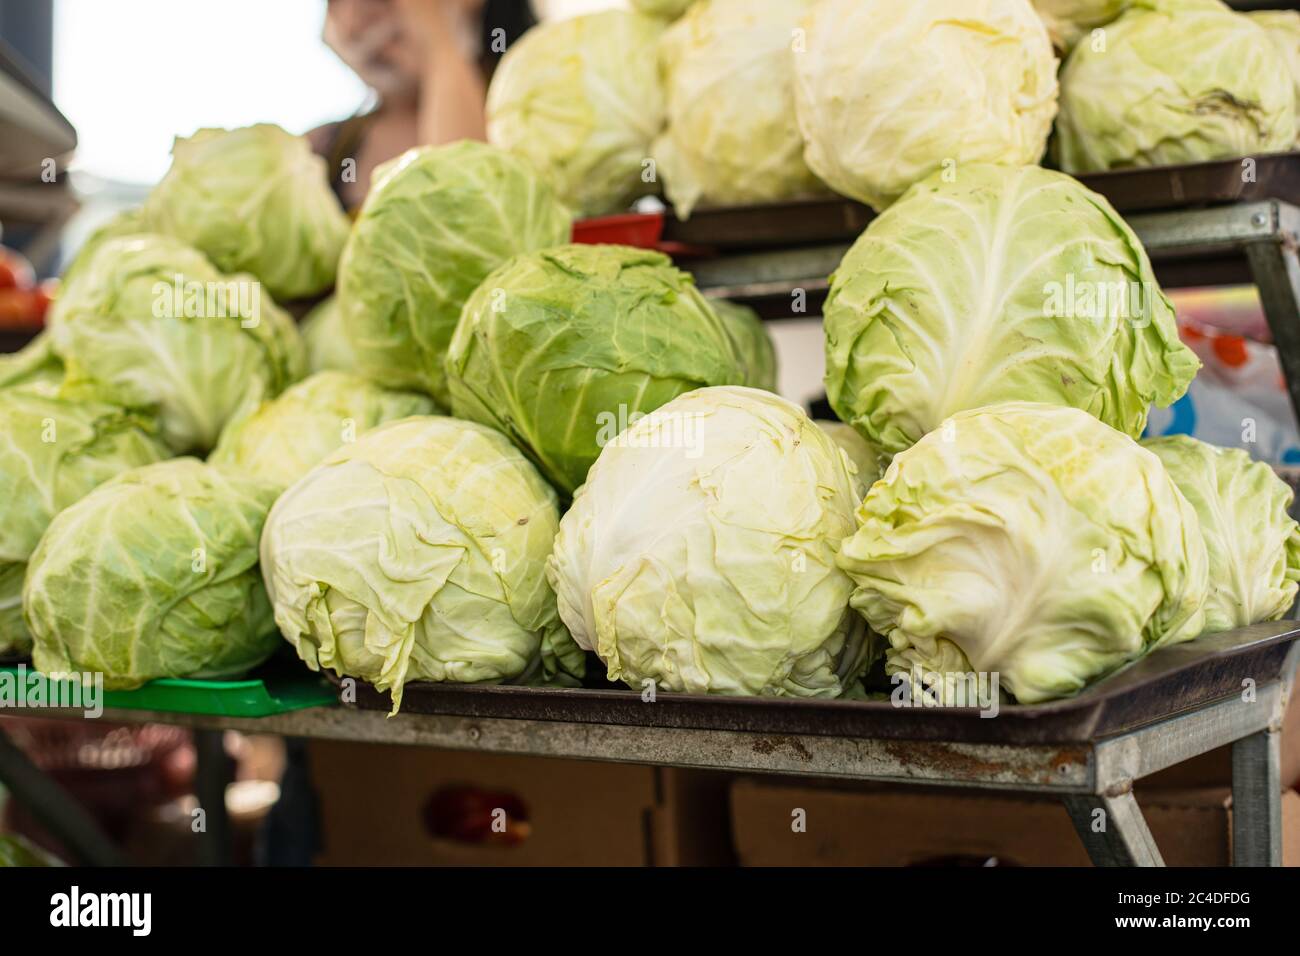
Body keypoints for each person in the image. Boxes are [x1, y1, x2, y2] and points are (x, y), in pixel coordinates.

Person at [310, 0, 536, 211]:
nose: (351, 27)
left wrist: (439, 43)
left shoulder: (526, 123)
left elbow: (460, 206)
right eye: (334, 3)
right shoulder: (319, 149)